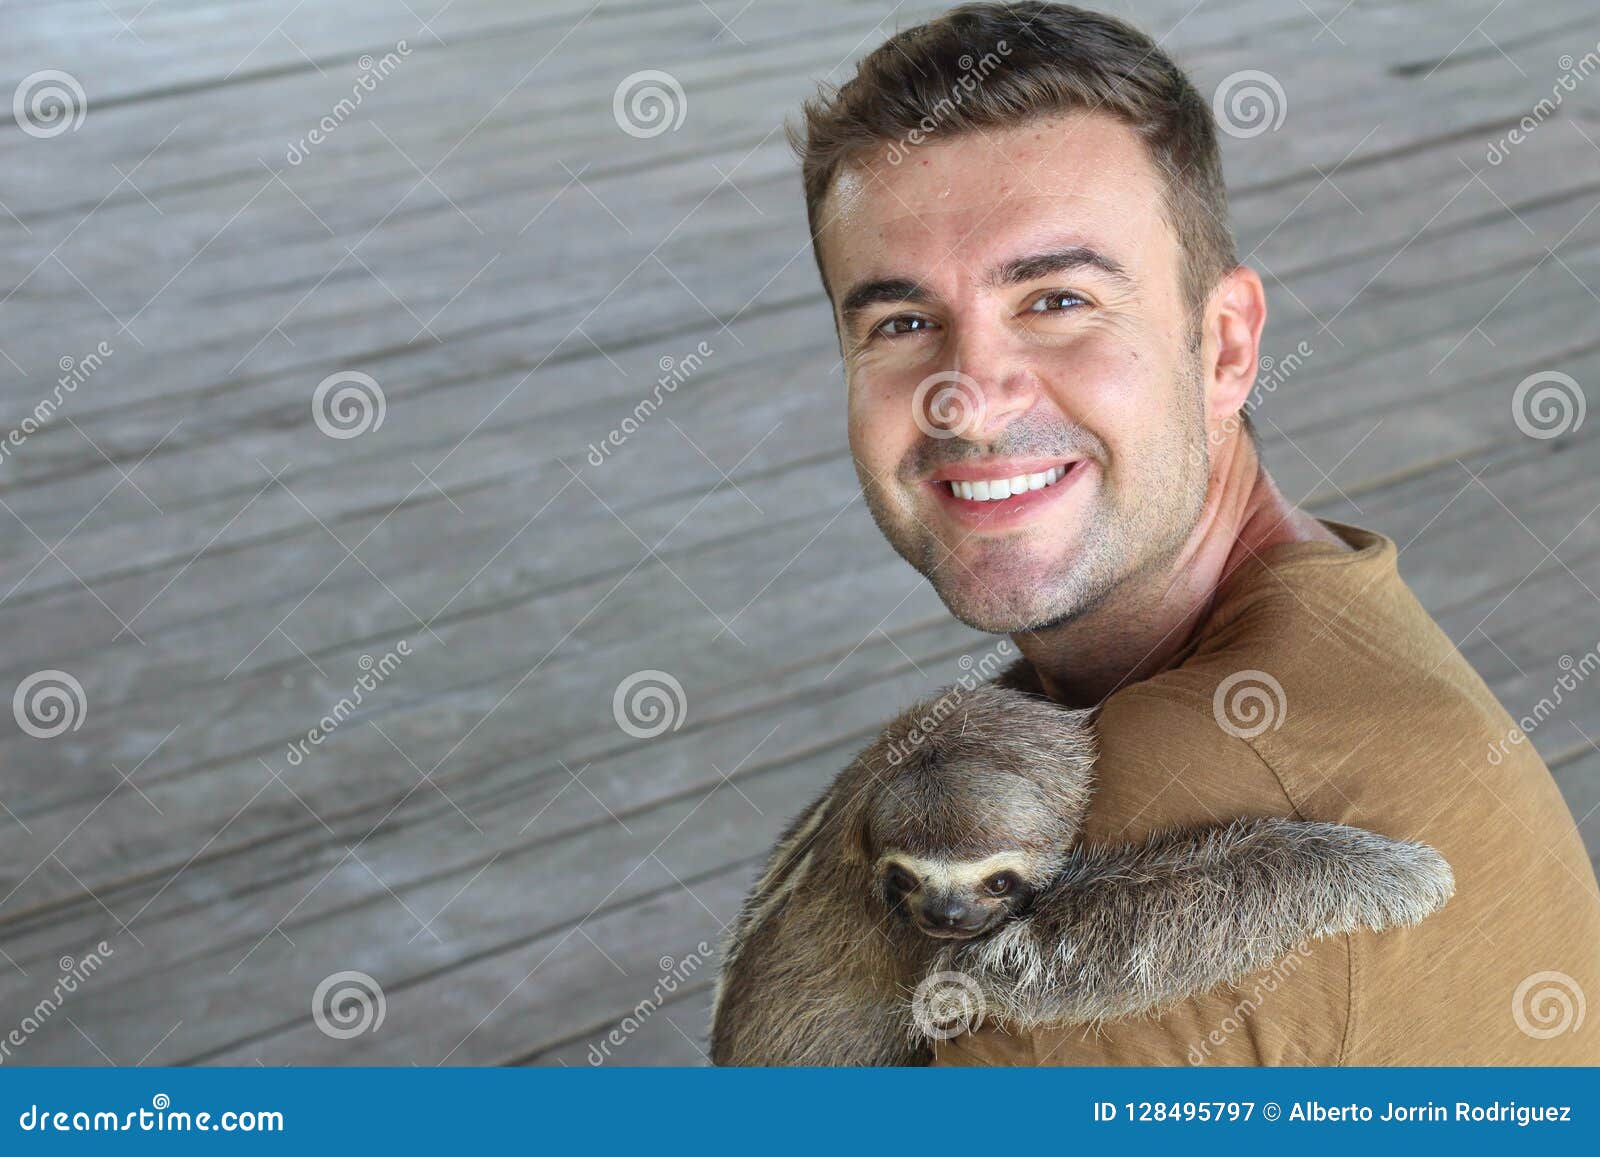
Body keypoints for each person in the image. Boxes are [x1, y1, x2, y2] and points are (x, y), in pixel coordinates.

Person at [789, 1, 1600, 1063]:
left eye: (1057, 300)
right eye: (902, 323)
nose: (967, 401)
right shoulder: (1334, 607)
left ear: (1223, 348)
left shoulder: (1172, 806)